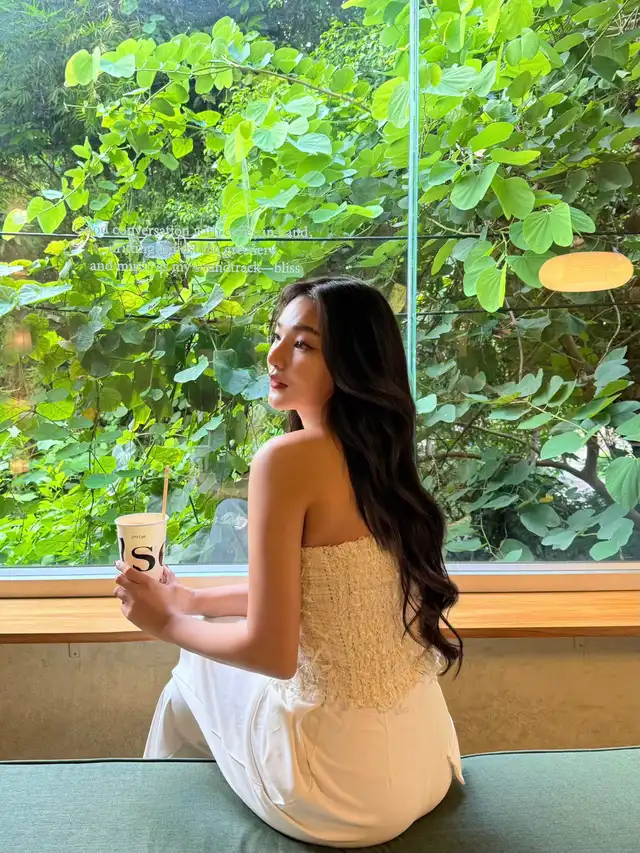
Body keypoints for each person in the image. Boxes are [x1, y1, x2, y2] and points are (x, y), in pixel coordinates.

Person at [113, 275, 465, 848]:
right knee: (209, 639)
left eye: (302, 344)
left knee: (193, 662)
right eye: (277, 336)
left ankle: (159, 820)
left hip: (341, 797)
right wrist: (192, 600)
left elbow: (271, 654)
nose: (274, 357)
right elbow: (330, 592)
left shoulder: (286, 460)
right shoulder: (382, 459)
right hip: (427, 765)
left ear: (351, 363)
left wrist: (166, 622)